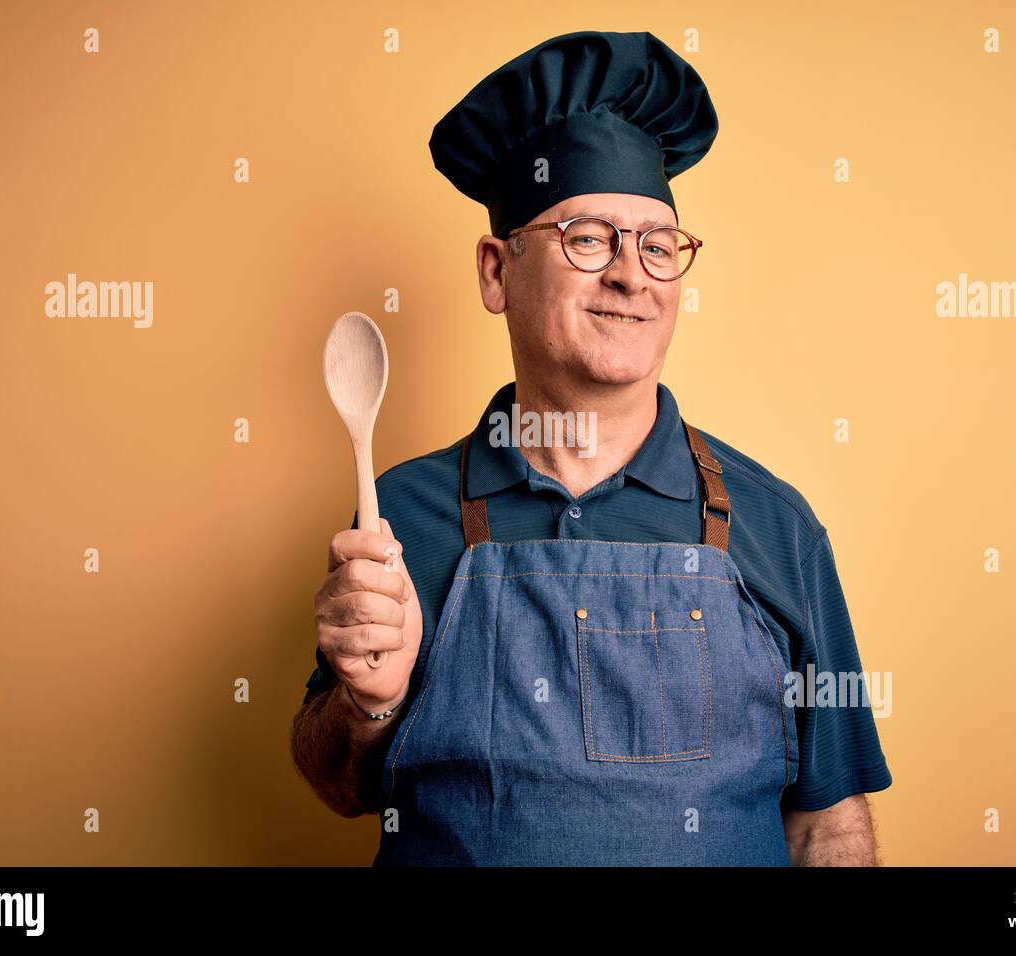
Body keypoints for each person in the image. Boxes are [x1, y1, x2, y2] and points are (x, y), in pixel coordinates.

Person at [291, 30, 891, 866]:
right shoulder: (397, 519)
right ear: (498, 272)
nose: (632, 275)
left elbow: (827, 822)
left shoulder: (775, 525)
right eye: (587, 237)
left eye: (657, 245)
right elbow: (337, 785)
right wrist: (369, 705)